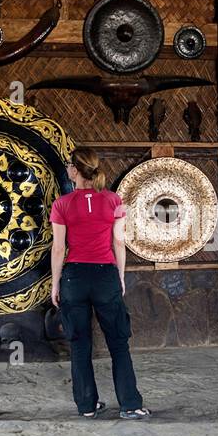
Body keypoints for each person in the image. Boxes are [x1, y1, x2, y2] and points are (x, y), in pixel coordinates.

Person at [50, 147, 150, 419]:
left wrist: (55, 284)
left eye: (69, 164)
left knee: (80, 344)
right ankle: (130, 405)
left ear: (74, 170)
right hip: (105, 275)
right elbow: (119, 242)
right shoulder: (114, 200)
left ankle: (87, 406)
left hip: (74, 278)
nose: (68, 168)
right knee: (118, 343)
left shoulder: (62, 204)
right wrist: (119, 276)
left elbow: (59, 249)